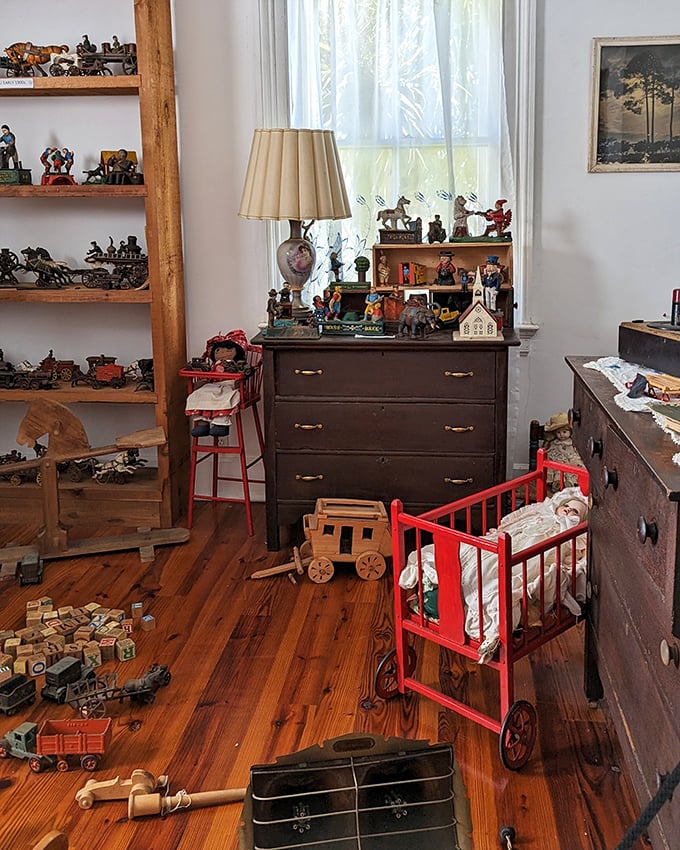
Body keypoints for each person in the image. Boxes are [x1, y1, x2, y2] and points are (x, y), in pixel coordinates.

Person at [184, 330, 249, 437]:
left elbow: (243, 371)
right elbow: (208, 373)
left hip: (229, 384)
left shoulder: (235, 364)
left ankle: (221, 424)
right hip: (213, 384)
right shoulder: (214, 365)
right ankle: (202, 424)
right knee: (200, 394)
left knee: (225, 396)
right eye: (218, 350)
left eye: (227, 350)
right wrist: (203, 379)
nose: (222, 353)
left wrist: (239, 379)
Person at [542, 412, 585, 494]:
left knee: (573, 466)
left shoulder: (573, 442)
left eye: (564, 432)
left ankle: (571, 483)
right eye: (558, 432)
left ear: (570, 432)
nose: (561, 435)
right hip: (558, 461)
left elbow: (576, 452)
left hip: (570, 460)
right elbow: (550, 451)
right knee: (558, 469)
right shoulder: (554, 443)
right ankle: (558, 483)